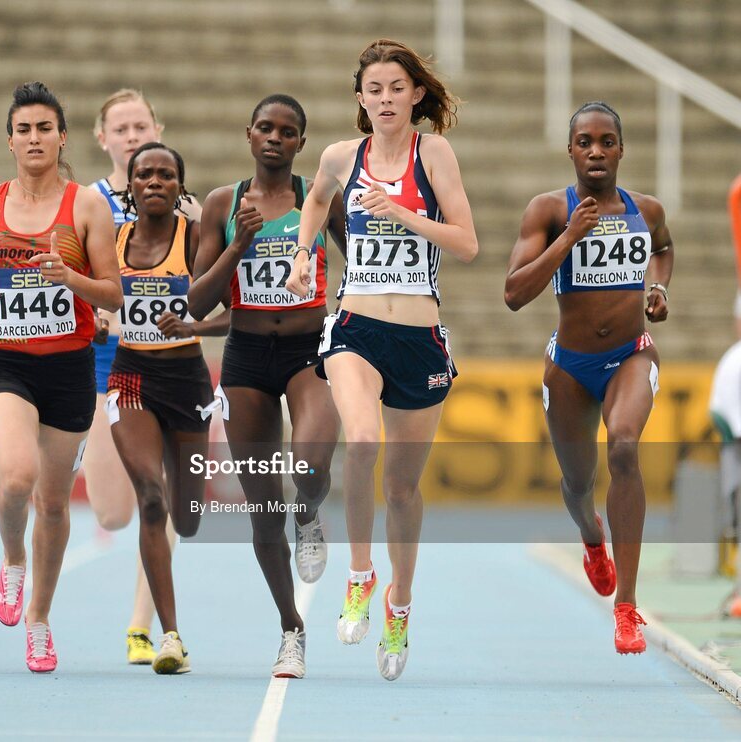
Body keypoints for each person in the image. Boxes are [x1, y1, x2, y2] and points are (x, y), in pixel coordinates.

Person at [285, 39, 478, 681]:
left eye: (398, 87)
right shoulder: (342, 156)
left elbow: (468, 243)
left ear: (416, 94)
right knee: (360, 440)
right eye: (375, 89)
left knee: (401, 488)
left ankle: (400, 603)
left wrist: (401, 212)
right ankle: (360, 575)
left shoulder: (435, 154)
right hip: (356, 327)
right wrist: (301, 253)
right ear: (361, 98)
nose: (387, 98)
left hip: (418, 338)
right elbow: (314, 199)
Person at [0, 82, 122, 673]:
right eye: (24, 129)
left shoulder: (86, 207)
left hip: (69, 367)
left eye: (45, 128)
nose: (35, 138)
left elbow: (114, 291)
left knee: (53, 502)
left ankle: (40, 622)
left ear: (62, 137)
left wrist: (69, 277)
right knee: (16, 476)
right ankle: (12, 561)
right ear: (10, 139)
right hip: (6, 362)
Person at [504, 101, 673, 654]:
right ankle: (591, 537)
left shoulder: (645, 211)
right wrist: (569, 237)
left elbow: (665, 248)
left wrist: (658, 287)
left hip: (632, 355)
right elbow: (513, 294)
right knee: (578, 486)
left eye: (606, 141)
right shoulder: (550, 210)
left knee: (624, 449)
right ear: (571, 150)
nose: (596, 151)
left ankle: (626, 608)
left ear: (621, 150)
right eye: (585, 142)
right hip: (570, 368)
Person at [189, 94, 346, 678]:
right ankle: (291, 629)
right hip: (247, 356)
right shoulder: (223, 203)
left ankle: (310, 513)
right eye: (265, 128)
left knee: (308, 466)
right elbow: (197, 300)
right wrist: (237, 245)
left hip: (309, 351)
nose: (275, 137)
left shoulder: (318, 198)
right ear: (248, 134)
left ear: (301, 142)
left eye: (287, 131)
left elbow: (364, 266)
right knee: (261, 513)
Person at [86, 89, 204, 664]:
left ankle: (142, 625)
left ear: (157, 128)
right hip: (105, 368)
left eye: (141, 125)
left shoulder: (191, 211)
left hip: (173, 371)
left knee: (162, 502)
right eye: (121, 127)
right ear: (101, 137)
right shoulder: (85, 205)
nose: (132, 134)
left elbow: (210, 284)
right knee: (113, 511)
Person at [107, 141, 225, 673]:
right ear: (129, 187)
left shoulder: (197, 238)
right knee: (150, 499)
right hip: (130, 377)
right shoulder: (110, 242)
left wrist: (192, 326)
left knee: (188, 517)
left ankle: (170, 623)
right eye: (144, 175)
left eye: (165, 175)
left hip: (188, 383)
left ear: (181, 187)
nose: (154, 182)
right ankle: (170, 636)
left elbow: (240, 315)